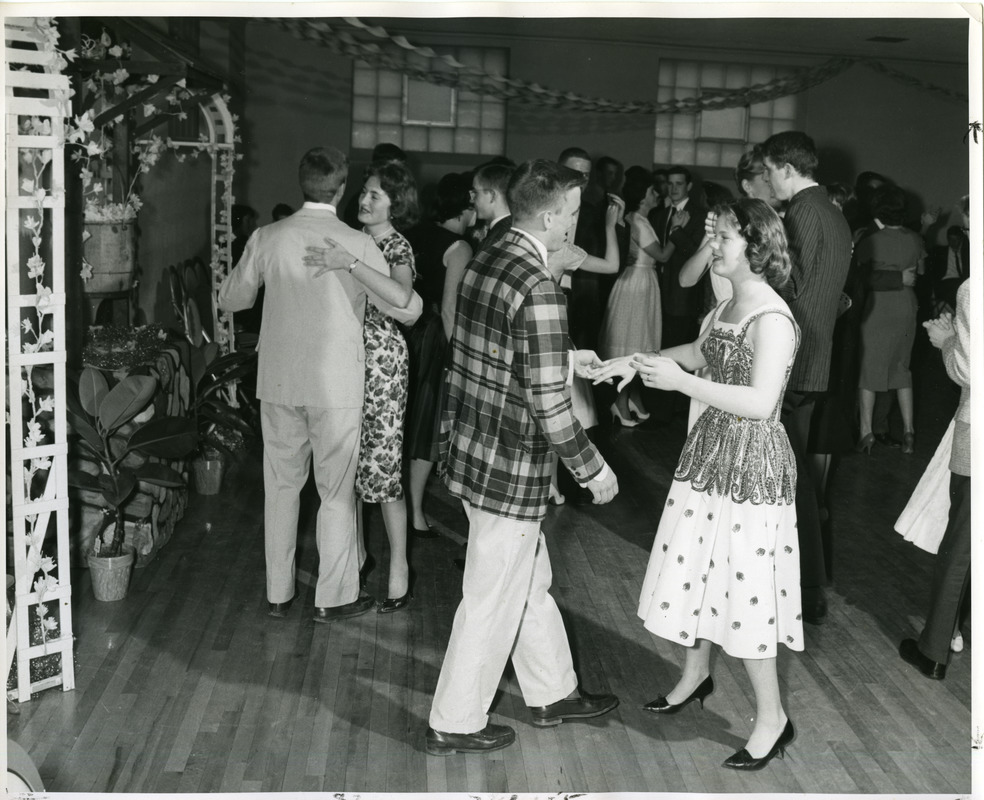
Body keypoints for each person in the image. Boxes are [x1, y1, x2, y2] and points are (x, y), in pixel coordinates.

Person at [593, 197, 802, 771]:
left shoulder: (774, 318)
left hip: (751, 466)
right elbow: (696, 352)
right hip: (710, 452)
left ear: (756, 247)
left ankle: (773, 718)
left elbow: (761, 403)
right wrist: (637, 362)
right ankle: (695, 674)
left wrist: (681, 384)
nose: (714, 247)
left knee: (745, 589)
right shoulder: (729, 304)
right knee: (697, 569)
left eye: (724, 239)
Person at [426, 159, 619, 757]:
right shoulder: (538, 283)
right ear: (553, 216)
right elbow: (548, 401)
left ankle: (552, 691)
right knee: (492, 595)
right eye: (574, 212)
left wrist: (568, 356)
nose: (576, 223)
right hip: (509, 462)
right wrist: (592, 468)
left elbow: (495, 347)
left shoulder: (491, 253)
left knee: (528, 580)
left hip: (474, 447)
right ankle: (455, 721)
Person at [217, 145, 420, 623]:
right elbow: (405, 308)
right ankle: (334, 597)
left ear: (301, 181)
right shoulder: (357, 243)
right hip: (337, 386)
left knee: (281, 488)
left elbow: (232, 300)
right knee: (336, 493)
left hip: (279, 382)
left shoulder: (268, 236)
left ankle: (278, 593)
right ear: (342, 188)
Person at [304, 159, 420, 613]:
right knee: (347, 466)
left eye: (376, 194)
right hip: (346, 358)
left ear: (396, 204)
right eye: (365, 191)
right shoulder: (353, 238)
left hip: (383, 364)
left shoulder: (396, 246)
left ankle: (400, 570)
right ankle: (356, 559)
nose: (365, 200)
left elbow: (402, 297)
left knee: (384, 470)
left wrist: (349, 264)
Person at [760, 130, 852, 625]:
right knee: (796, 477)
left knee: (792, 480)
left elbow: (789, 286)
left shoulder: (800, 212)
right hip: (816, 358)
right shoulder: (832, 211)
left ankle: (806, 588)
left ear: (787, 168)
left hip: (794, 359)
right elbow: (835, 294)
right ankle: (800, 583)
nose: (769, 180)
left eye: (770, 171)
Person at [899, 279, 970, 680]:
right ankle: (953, 632)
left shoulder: (973, 289)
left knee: (959, 550)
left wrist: (946, 341)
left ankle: (933, 652)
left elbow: (969, 370)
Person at [402, 172, 476, 538]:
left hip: (407, 333)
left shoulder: (414, 234)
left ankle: (401, 505)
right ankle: (415, 511)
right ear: (466, 207)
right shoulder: (459, 247)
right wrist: (460, 358)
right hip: (435, 337)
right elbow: (449, 309)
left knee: (407, 418)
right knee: (427, 425)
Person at [597, 166, 673, 426]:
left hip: (640, 282)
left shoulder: (638, 219)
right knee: (633, 342)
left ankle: (633, 398)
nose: (657, 195)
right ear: (643, 195)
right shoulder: (638, 221)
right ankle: (619, 402)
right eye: (652, 191)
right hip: (637, 284)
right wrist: (677, 231)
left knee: (638, 341)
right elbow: (662, 255)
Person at [854, 185, 925, 456]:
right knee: (902, 369)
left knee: (868, 372)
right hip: (906, 306)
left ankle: (866, 432)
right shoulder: (915, 239)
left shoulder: (871, 240)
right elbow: (920, 270)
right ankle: (909, 431)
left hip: (878, 308)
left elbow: (862, 278)